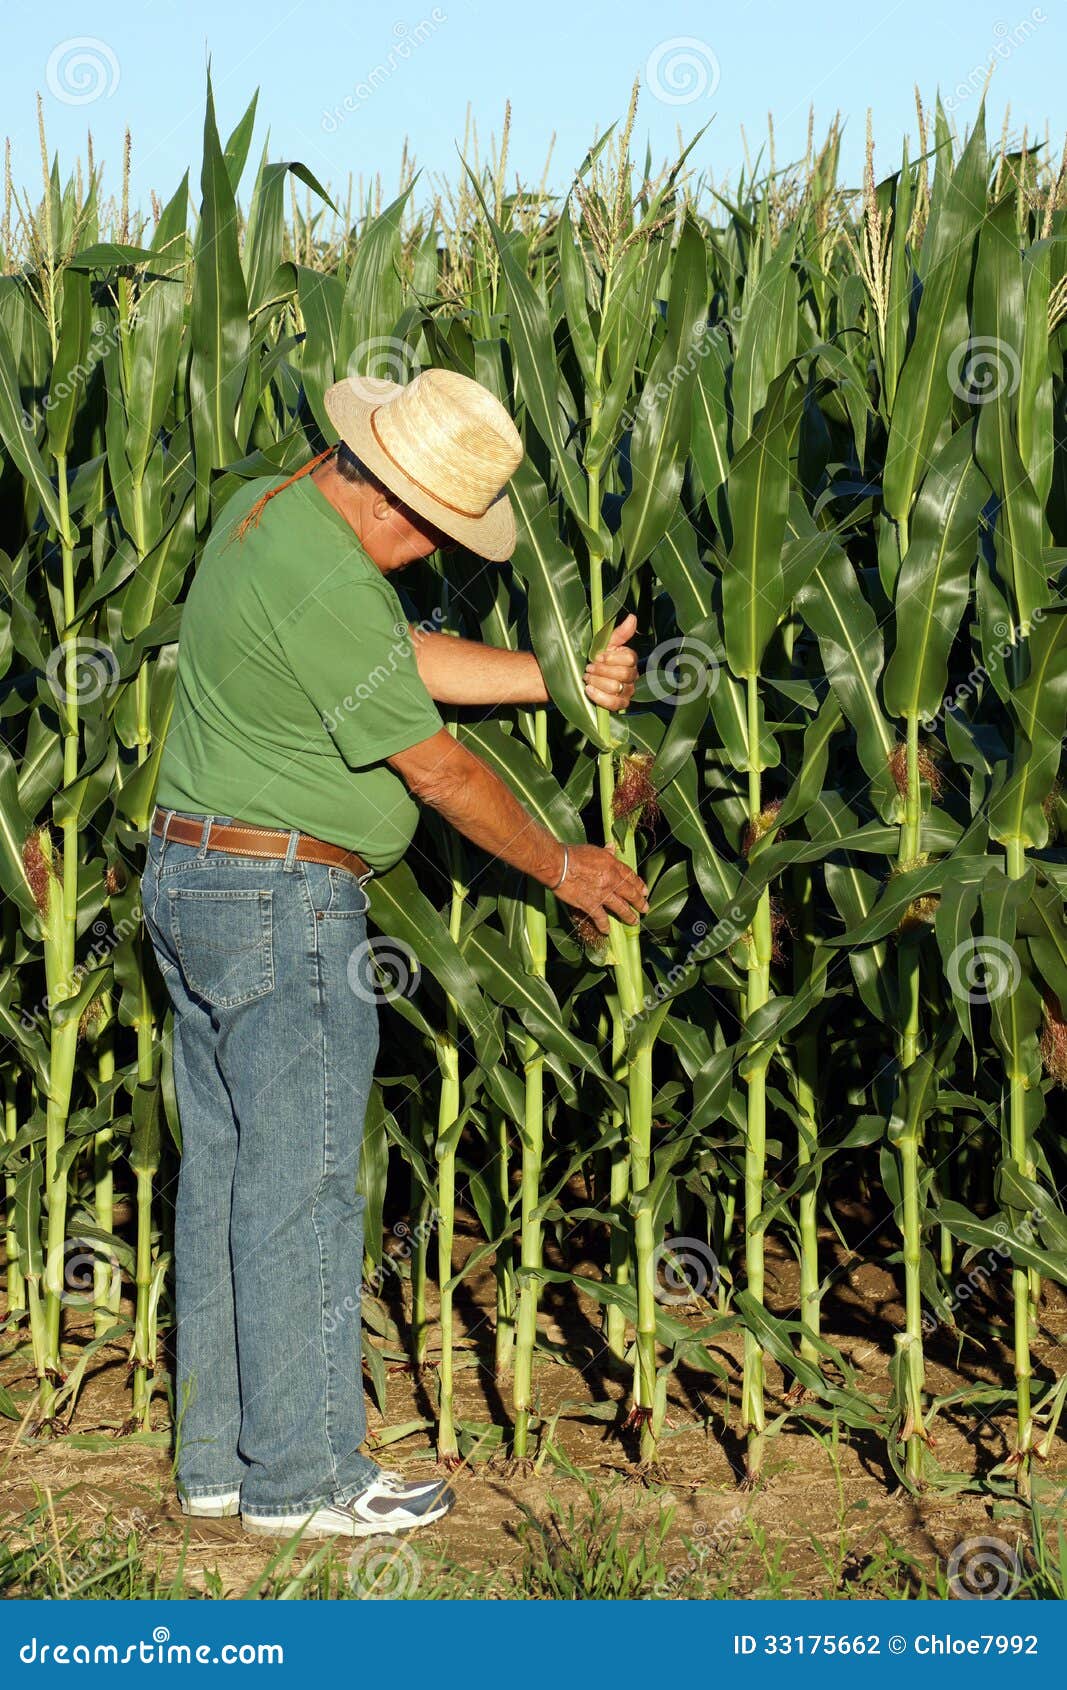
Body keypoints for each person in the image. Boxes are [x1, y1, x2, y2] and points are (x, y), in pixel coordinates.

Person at [140, 367, 648, 1540]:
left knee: (224, 1177)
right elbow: (437, 767)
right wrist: (560, 865)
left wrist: (551, 679)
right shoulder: (328, 565)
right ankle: (306, 1479)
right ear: (390, 502)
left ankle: (220, 1466)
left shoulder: (269, 507)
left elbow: (390, 659)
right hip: (281, 899)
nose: (429, 557)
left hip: (195, 879)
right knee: (307, 1187)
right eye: (430, 534)